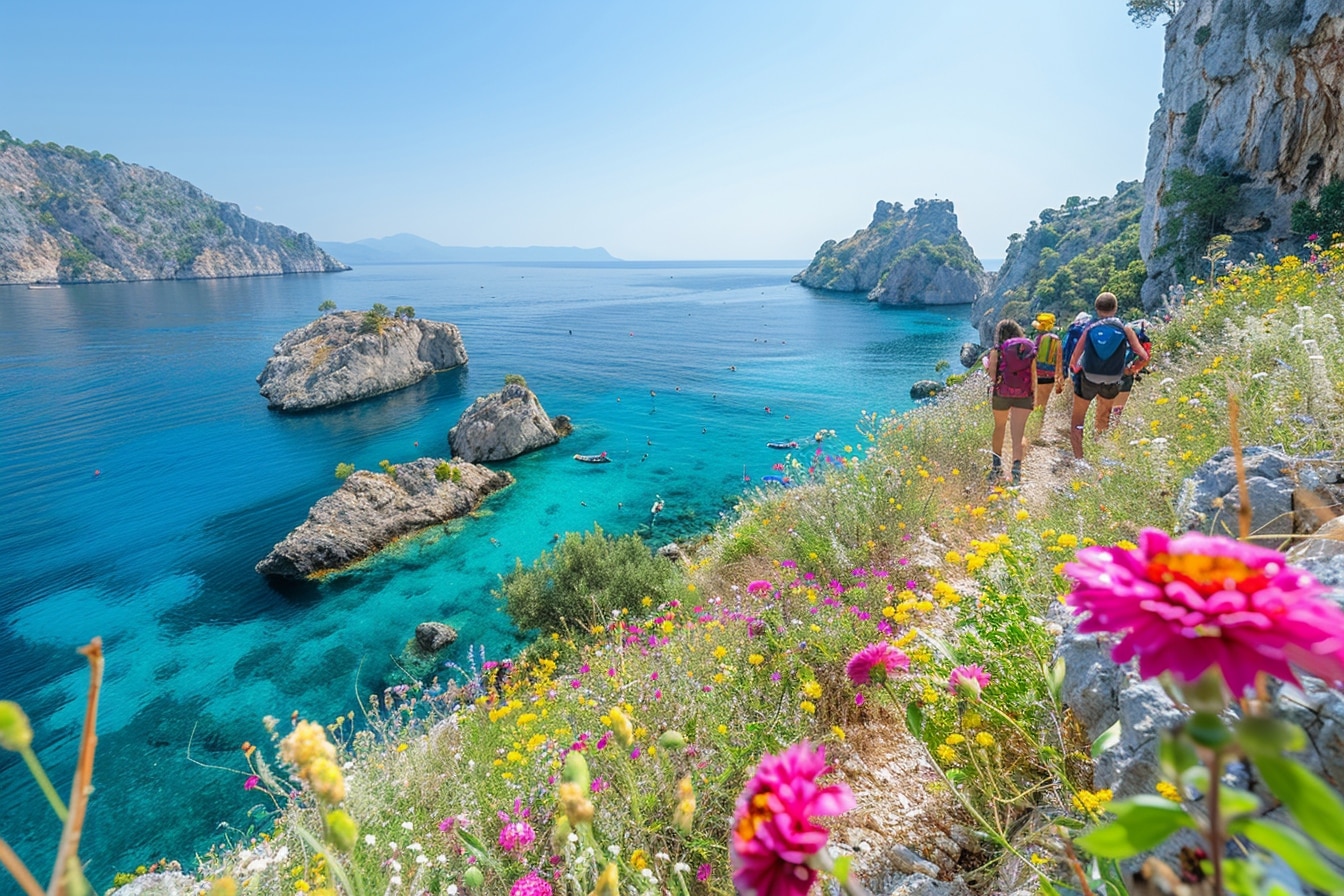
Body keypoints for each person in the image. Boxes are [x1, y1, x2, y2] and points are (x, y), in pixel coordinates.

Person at [1068, 293, 1149, 461]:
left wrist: (1076, 373)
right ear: (1115, 308)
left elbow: (1074, 359)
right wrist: (1132, 369)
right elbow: (1144, 356)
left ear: (1097, 309)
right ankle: (1099, 454)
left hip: (1088, 378)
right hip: (1112, 379)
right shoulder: (1125, 328)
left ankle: (1079, 460)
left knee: (1077, 419)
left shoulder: (1090, 327)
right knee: (1104, 417)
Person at [986, 318, 1037, 485]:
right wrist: (1032, 395)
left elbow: (993, 377)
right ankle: (1016, 469)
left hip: (1001, 393)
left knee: (999, 427)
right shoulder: (1027, 349)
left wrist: (988, 367)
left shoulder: (997, 351)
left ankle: (996, 466)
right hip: (1024, 394)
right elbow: (1033, 375)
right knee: (1018, 433)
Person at [1109, 319, 1152, 423]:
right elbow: (1145, 358)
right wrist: (1134, 370)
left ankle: (1106, 426)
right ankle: (1113, 425)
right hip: (1124, 372)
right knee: (1118, 406)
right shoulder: (1144, 337)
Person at [1030, 312, 1064, 412]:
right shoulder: (1057, 339)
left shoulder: (1039, 338)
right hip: (1051, 376)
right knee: (1047, 404)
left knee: (1038, 404)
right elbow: (1059, 358)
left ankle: (1037, 425)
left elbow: (1033, 355)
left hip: (1039, 375)